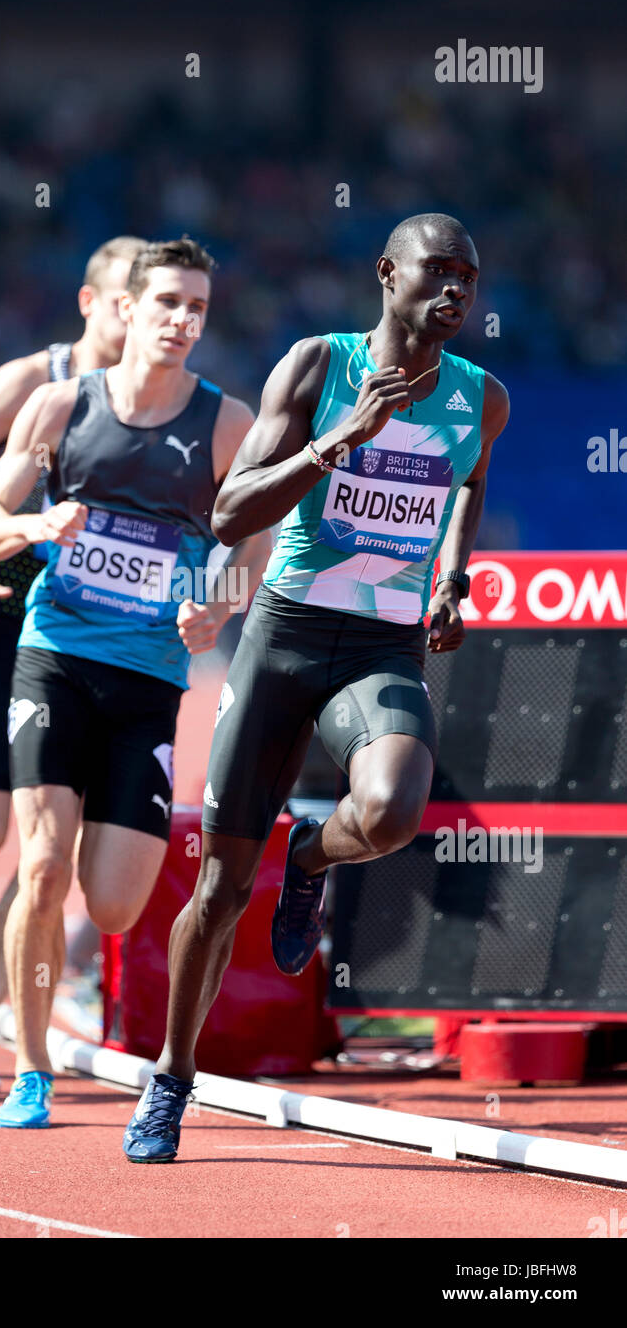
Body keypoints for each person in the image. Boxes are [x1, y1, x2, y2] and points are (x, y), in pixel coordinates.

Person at [122, 213, 511, 1162]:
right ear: (388, 274)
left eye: (469, 277)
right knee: (217, 889)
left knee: (390, 812)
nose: (455, 292)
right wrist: (344, 437)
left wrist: (451, 580)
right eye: (437, 273)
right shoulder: (315, 365)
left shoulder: (481, 398)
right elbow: (225, 516)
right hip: (287, 635)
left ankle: (312, 858)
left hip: (381, 644)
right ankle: (171, 1077)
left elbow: (465, 487)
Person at [0, 237, 271, 1128]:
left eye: (197, 308)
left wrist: (221, 603)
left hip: (148, 681)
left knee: (116, 902)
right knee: (44, 866)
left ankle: (50, 996)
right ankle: (31, 1068)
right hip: (53, 657)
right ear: (124, 309)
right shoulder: (62, 406)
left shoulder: (224, 424)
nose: (182, 320)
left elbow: (258, 537)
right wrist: (33, 524)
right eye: (167, 301)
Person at [0, 237, 146, 1094]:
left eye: (153, 302)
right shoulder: (31, 383)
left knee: (46, 850)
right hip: (4, 625)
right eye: (128, 300)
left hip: (83, 648)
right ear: (91, 303)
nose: (142, 318)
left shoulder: (162, 409)